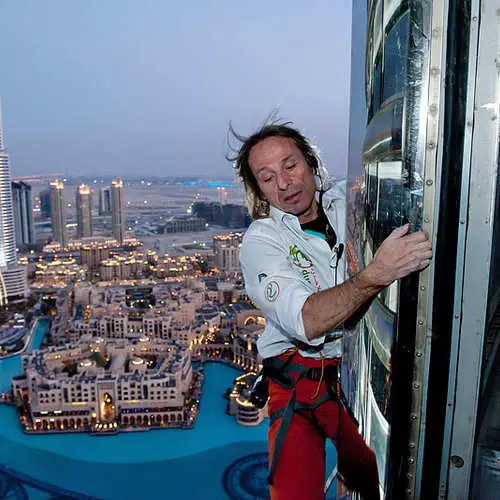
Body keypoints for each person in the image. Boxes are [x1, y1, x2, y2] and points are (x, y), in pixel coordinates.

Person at [230, 120, 432, 500]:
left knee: (377, 477)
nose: (285, 183)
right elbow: (307, 319)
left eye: (290, 166)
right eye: (268, 177)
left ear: (310, 162)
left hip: (354, 371)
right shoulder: (262, 240)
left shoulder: (348, 201)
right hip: (296, 380)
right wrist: (379, 273)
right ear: (258, 190)